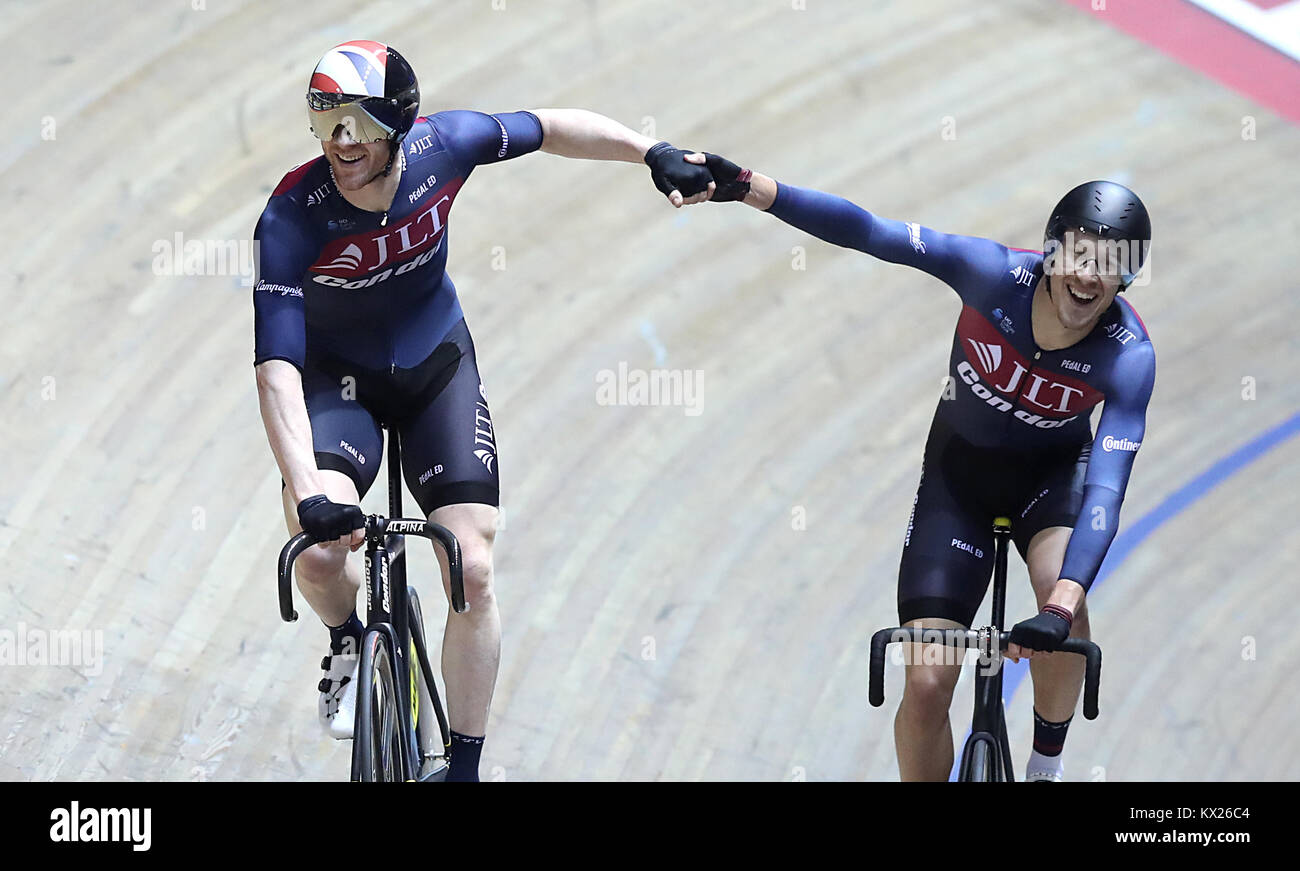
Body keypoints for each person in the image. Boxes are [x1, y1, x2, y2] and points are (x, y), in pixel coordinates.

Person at [252, 40, 714, 782]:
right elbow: (276, 370)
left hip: (435, 366)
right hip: (336, 385)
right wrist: (308, 492)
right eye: (325, 119)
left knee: (470, 565)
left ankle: (463, 766)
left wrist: (648, 150)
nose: (341, 141)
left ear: (399, 124)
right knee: (317, 552)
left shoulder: (447, 145)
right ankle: (345, 637)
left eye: (358, 121)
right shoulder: (290, 217)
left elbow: (551, 126)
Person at [696, 154, 1154, 782]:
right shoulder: (991, 273)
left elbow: (1105, 489)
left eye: (1110, 264)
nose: (1089, 275)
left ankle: (1046, 769)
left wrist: (1058, 609)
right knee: (928, 684)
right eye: (1080, 254)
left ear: (1127, 279)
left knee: (1064, 601)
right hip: (959, 483)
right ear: (1052, 250)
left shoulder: (1129, 357)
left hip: (1051, 483)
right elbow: (870, 231)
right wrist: (751, 188)